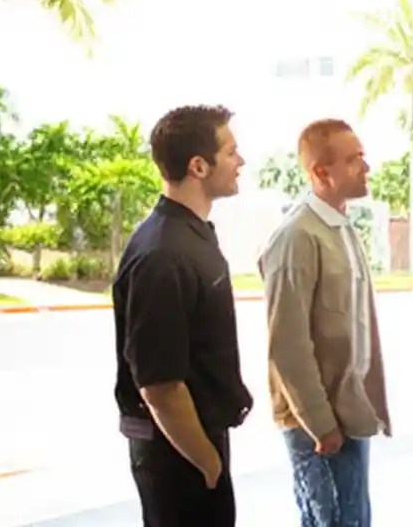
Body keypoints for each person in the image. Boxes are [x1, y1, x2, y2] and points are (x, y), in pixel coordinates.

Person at [111, 104, 252, 527]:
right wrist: (207, 462)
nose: (241, 161)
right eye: (231, 152)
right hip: (177, 457)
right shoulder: (163, 255)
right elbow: (160, 386)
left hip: (198, 441)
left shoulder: (192, 234)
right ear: (198, 166)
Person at [259, 118, 391, 527]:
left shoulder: (340, 226)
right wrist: (319, 423)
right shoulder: (297, 236)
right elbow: (287, 345)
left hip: (348, 411)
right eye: (353, 160)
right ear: (320, 172)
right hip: (318, 424)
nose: (365, 167)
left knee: (353, 518)